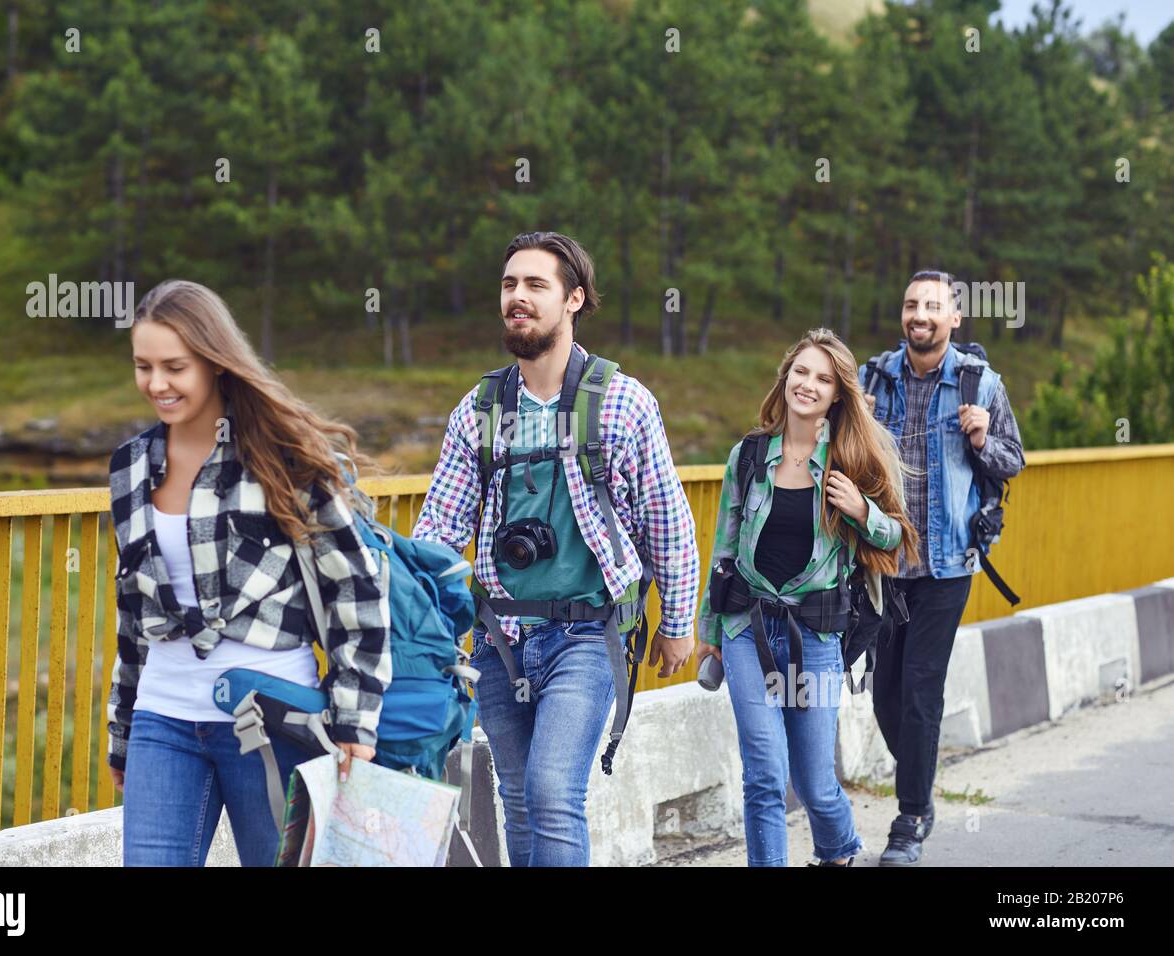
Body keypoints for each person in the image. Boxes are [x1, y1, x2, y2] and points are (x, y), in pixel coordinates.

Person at [412, 231, 699, 866]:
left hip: (585, 635)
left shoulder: (621, 403)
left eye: (535, 285)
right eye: (510, 284)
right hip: (497, 637)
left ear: (573, 299)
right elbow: (436, 532)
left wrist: (678, 624)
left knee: (550, 790)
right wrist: (412, 620)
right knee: (516, 796)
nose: (518, 297)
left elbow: (667, 521)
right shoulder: (481, 410)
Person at [106, 279, 390, 866]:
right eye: (143, 367)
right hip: (163, 718)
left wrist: (354, 722)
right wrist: (123, 731)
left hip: (271, 718)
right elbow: (133, 613)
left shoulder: (281, 455)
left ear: (214, 362)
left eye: (174, 367)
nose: (156, 384)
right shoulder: (130, 465)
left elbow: (355, 589)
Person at [697, 328, 917, 867]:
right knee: (765, 773)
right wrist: (708, 634)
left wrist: (864, 512)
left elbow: (899, 540)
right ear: (786, 376)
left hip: (816, 634)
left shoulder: (851, 460)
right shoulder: (748, 457)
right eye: (801, 372)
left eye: (822, 378)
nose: (808, 384)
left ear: (837, 393)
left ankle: (838, 848)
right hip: (747, 627)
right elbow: (723, 549)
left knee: (815, 783)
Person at [860, 270, 1025, 866]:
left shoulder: (980, 383)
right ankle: (921, 788)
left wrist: (983, 440)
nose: (919, 315)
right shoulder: (872, 378)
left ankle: (908, 821)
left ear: (954, 318)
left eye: (932, 306)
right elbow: (835, 450)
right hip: (883, 563)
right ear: (902, 315)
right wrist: (853, 420)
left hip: (949, 564)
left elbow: (1014, 462)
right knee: (884, 694)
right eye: (910, 305)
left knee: (921, 690)